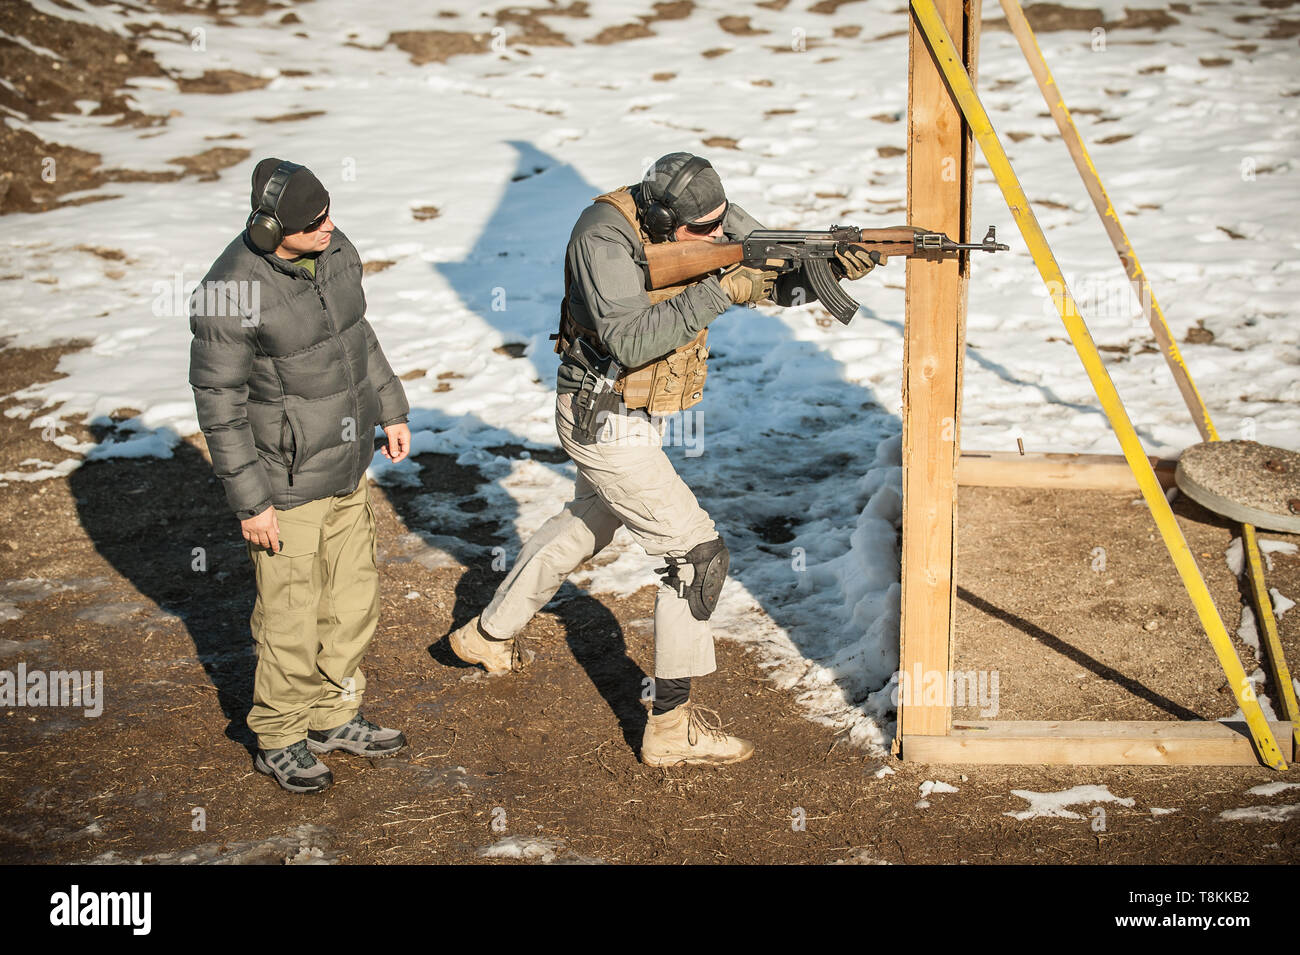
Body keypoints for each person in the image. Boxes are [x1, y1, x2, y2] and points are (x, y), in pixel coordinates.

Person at [447, 152, 875, 766]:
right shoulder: (603, 237)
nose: (718, 236)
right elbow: (630, 338)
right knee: (697, 556)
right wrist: (722, 290)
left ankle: (484, 635)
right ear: (660, 217)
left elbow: (770, 276)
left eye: (721, 224)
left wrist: (829, 268)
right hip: (603, 417)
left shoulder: (706, 219)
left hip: (628, 414)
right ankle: (671, 726)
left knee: (587, 524)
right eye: (703, 232)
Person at [189, 158, 412, 793]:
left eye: (329, 213)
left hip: (345, 463)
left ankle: (332, 715)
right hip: (282, 481)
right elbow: (220, 407)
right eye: (314, 221)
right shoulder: (228, 292)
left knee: (352, 599)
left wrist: (389, 406)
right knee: (290, 611)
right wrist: (250, 501)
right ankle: (280, 734)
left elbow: (355, 335)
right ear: (270, 228)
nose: (330, 227)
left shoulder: (335, 251)